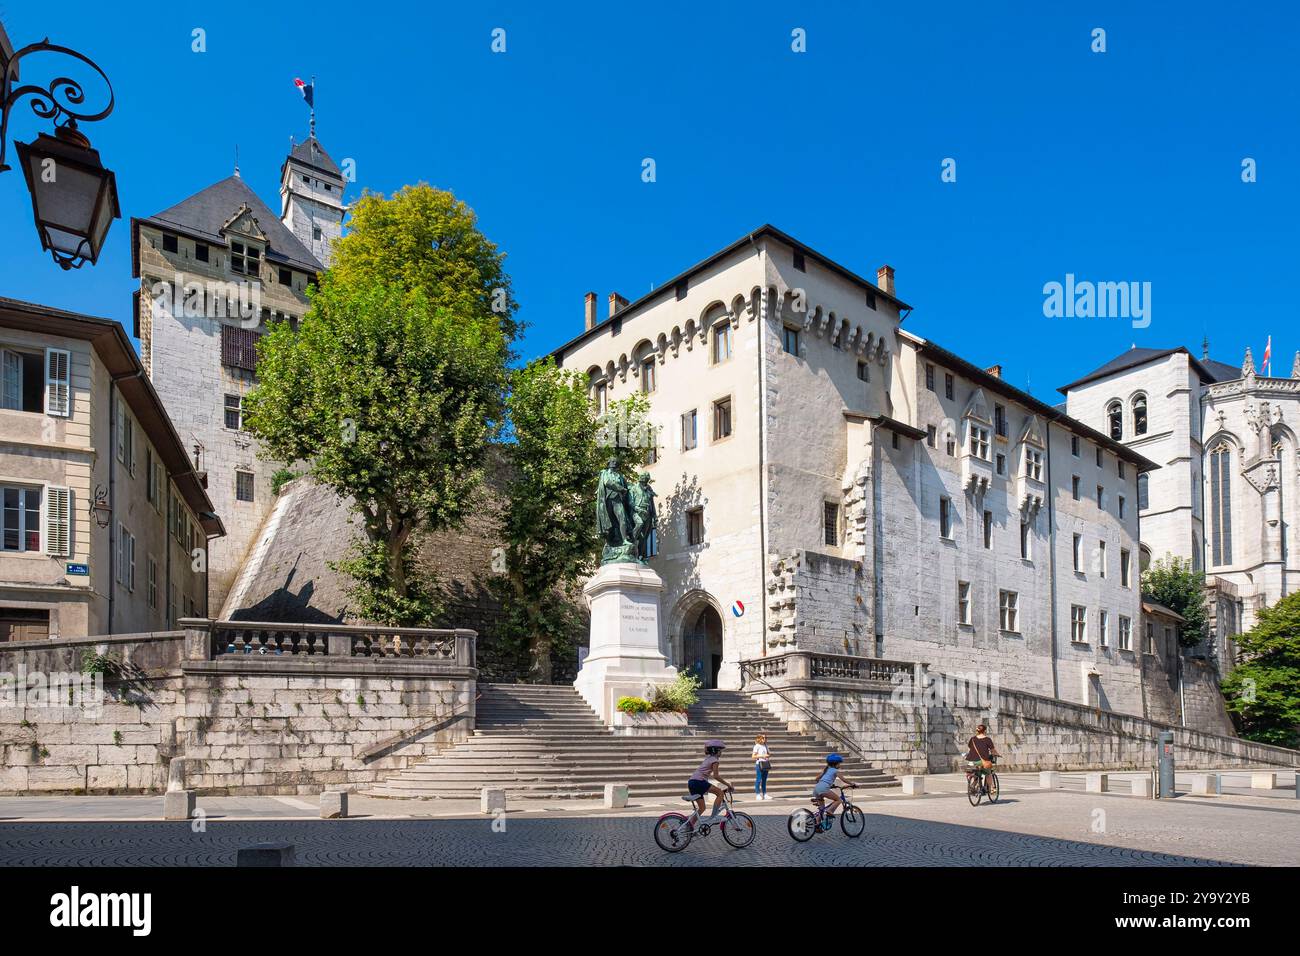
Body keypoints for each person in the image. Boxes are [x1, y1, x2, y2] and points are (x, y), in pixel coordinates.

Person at [686, 739, 733, 824]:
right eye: (720, 750)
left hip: (692, 782)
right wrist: (728, 785)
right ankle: (714, 817)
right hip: (699, 781)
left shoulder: (708, 758)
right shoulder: (715, 760)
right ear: (715, 750)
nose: (721, 753)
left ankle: (689, 825)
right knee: (720, 793)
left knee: (702, 808)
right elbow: (716, 776)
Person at [811, 753, 855, 817]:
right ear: (836, 764)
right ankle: (830, 810)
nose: (840, 765)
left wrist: (826, 784)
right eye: (839, 763)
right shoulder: (835, 771)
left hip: (816, 788)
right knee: (839, 800)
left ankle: (817, 825)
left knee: (822, 809)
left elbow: (816, 779)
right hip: (824, 788)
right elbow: (843, 780)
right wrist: (852, 784)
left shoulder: (826, 770)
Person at [964, 724, 1000, 790]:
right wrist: (997, 754)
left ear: (977, 730)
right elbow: (992, 750)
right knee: (988, 773)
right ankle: (992, 788)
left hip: (972, 761)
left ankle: (973, 786)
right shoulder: (987, 739)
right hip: (982, 761)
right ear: (985, 731)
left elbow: (970, 746)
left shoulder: (972, 739)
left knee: (977, 772)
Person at [751, 734, 771, 800]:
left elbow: (768, 754)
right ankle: (757, 794)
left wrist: (768, 755)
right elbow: (753, 756)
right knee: (759, 780)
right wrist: (762, 756)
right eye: (763, 737)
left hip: (765, 763)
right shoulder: (757, 746)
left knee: (764, 780)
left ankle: (765, 794)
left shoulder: (765, 746)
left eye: (765, 737)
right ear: (759, 739)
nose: (765, 739)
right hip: (759, 764)